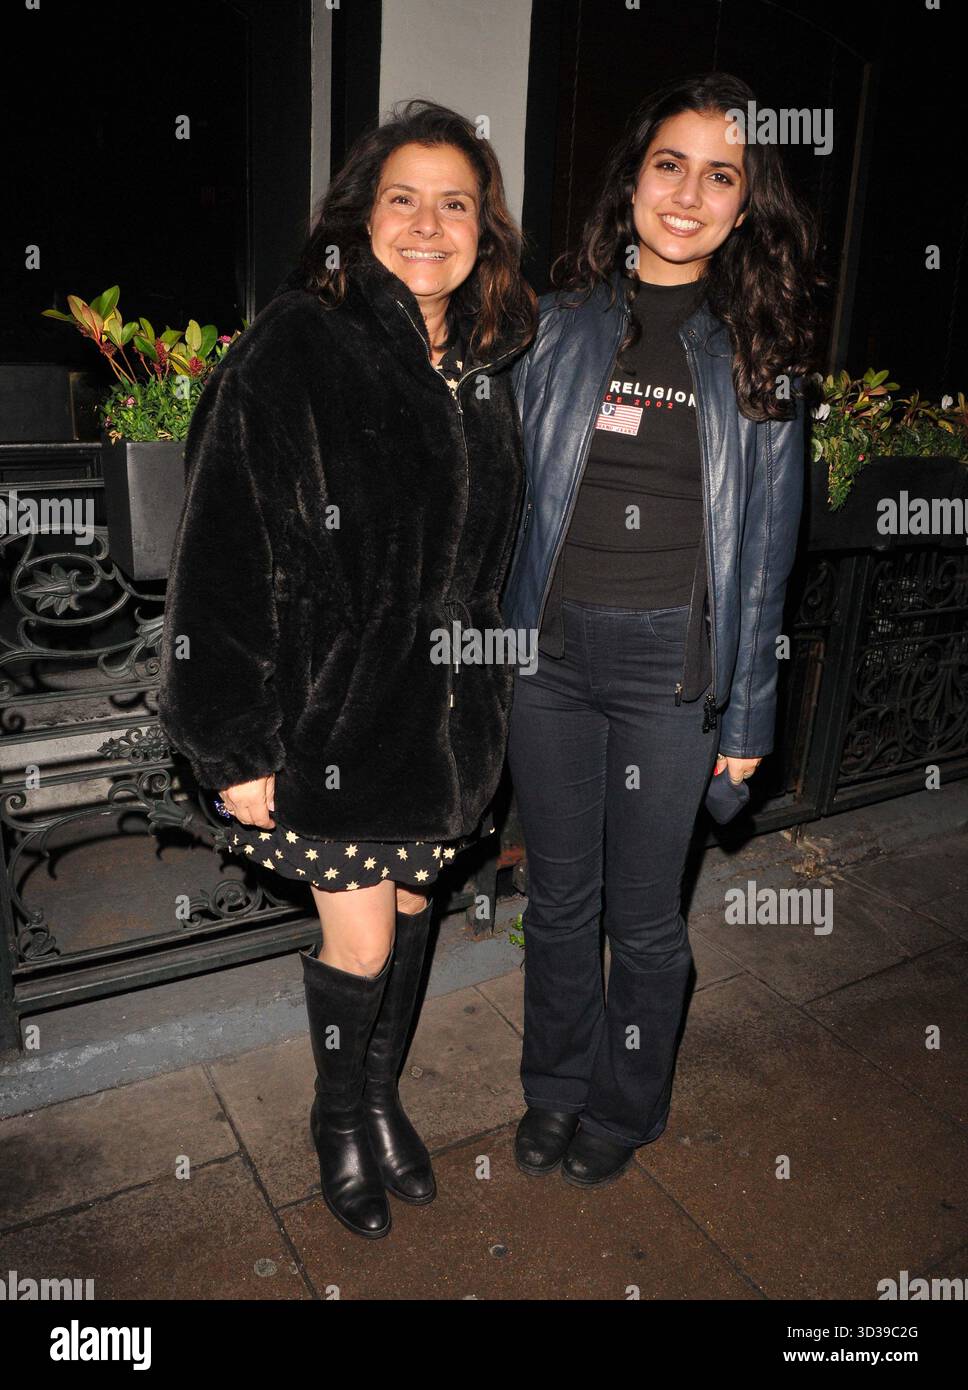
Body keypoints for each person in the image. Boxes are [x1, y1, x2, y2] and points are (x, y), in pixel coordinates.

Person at [158, 100, 536, 1239]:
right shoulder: (297, 341)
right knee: (359, 939)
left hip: (443, 726)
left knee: (416, 903)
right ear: (356, 219)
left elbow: (489, 559)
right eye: (401, 199)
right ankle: (338, 1118)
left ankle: (380, 1096)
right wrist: (231, 745)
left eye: (454, 203)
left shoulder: (481, 362)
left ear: (485, 228)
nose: (429, 224)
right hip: (327, 722)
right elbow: (221, 550)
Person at [501, 74, 826, 1187]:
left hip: (664, 671)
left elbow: (768, 554)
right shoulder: (554, 328)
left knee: (643, 921)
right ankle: (551, 1085)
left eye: (719, 175)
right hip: (545, 659)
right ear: (631, 181)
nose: (686, 194)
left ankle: (622, 1103)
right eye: (668, 165)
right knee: (555, 901)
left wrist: (748, 712)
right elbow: (498, 501)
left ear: (745, 206)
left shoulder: (757, 354)